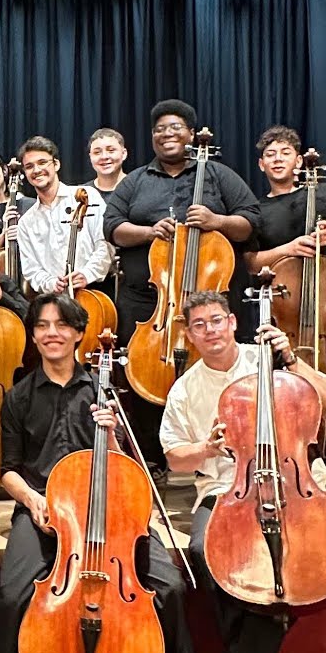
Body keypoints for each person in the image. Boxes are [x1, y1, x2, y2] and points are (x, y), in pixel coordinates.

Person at [0, 293, 199, 653]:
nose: (52, 334)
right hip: (45, 509)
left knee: (171, 587)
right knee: (10, 597)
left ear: (79, 333)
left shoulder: (108, 393)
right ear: (33, 335)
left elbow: (131, 466)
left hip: (112, 513)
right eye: (43, 326)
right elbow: (7, 469)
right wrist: (33, 500)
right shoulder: (19, 396)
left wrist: (115, 434)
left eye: (62, 326)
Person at [160, 290, 326, 653]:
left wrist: (291, 358)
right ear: (190, 334)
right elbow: (174, 457)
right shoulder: (186, 389)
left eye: (216, 320)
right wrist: (204, 448)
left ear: (233, 322)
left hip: (291, 484)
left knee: (295, 556)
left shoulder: (268, 362)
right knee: (205, 550)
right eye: (199, 324)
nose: (210, 330)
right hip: (226, 489)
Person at [102, 99, 260, 468]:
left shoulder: (219, 175)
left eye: (175, 128)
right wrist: (148, 231)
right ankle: (154, 458)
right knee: (140, 380)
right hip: (150, 302)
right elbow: (112, 227)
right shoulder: (137, 180)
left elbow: (251, 220)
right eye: (159, 129)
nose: (166, 135)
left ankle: (217, 453)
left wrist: (216, 220)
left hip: (209, 300)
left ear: (191, 134)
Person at [244, 124, 326, 502]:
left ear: (299, 159)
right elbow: (251, 261)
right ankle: (294, 465)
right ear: (261, 164)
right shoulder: (257, 210)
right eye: (271, 155)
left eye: (285, 153)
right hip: (284, 314)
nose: (279, 160)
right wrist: (290, 248)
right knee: (284, 397)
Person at [13, 136, 113, 295]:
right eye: (29, 166)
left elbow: (105, 244)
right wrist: (52, 283)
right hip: (55, 300)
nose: (37, 170)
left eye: (42, 162)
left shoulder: (87, 196)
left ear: (56, 164)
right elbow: (31, 269)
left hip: (95, 292)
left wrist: (87, 274)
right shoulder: (26, 222)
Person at [84, 127, 129, 199]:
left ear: (124, 154)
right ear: (90, 157)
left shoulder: (137, 189)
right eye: (97, 152)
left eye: (111, 150)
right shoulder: (82, 193)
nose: (104, 157)